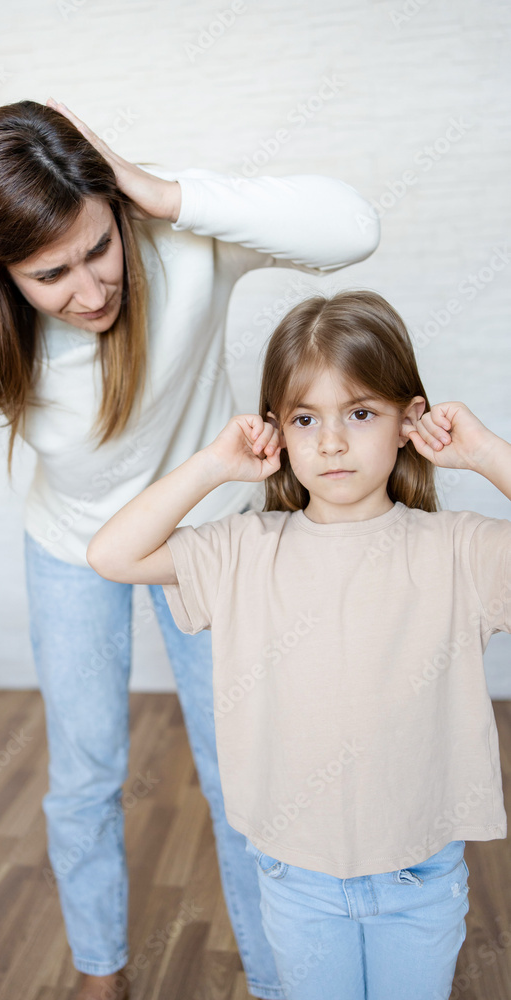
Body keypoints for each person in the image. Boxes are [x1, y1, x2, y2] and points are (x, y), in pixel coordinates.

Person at [0, 99, 381, 1000]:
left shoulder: (177, 246)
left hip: (205, 543)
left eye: (98, 249)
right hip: (72, 551)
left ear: (116, 213)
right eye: (49, 273)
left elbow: (353, 229)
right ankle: (99, 977)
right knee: (85, 776)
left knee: (244, 776)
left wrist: (162, 193)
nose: (90, 291)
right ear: (4, 270)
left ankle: (279, 984)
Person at [86, 288, 511, 1000]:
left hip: (419, 878)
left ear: (409, 421)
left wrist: (486, 451)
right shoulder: (244, 549)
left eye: (361, 413)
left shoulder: (458, 550)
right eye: (305, 418)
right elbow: (111, 555)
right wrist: (213, 465)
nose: (331, 442)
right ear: (275, 431)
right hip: (297, 880)